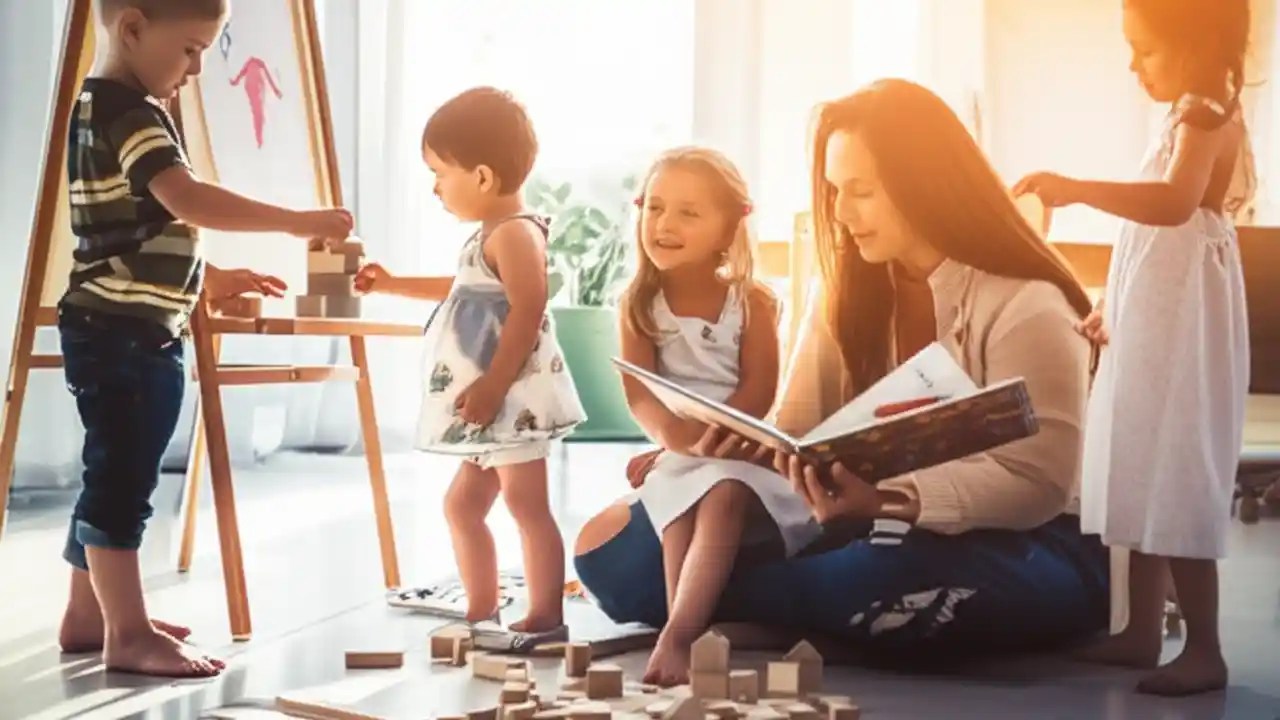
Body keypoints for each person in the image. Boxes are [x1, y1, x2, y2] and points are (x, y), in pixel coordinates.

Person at [574, 79, 1110, 667]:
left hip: (1023, 544)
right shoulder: (846, 293)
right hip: (860, 532)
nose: (839, 211)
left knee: (889, 574)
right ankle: (808, 618)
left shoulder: (1026, 303)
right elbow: (797, 433)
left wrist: (887, 500)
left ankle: (742, 612)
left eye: (860, 191)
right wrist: (707, 457)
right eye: (834, 190)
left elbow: (1040, 483)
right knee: (609, 555)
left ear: (926, 187)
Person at [59, 0, 353, 678]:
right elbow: (188, 201)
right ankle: (126, 633)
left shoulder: (104, 106)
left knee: (113, 468)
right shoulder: (131, 112)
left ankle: (89, 613)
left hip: (119, 325)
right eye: (190, 49)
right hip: (123, 332)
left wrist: (205, 276)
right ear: (132, 28)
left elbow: (129, 228)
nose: (195, 69)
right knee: (121, 480)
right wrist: (294, 220)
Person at [1014, 0, 1254, 696]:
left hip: (1185, 329)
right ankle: (1142, 631)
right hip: (1156, 321)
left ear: (1196, 44)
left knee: (1175, 468)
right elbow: (1154, 248)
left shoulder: (1206, 114)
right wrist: (1113, 308)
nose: (1132, 64)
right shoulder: (1182, 113)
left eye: (1144, 49)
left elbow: (1175, 205)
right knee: (1139, 460)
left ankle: (1204, 648)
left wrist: (1079, 190)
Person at [355, 87, 585, 642]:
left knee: (526, 506)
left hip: (510, 403)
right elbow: (461, 289)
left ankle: (546, 615)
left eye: (439, 173)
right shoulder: (487, 236)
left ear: (481, 177)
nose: (434, 187)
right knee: (462, 507)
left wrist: (492, 384)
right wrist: (390, 284)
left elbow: (529, 307)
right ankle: (481, 612)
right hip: (492, 410)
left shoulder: (516, 232)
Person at [616, 147, 819, 684]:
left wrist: (711, 436)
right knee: (681, 503)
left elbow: (759, 389)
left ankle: (679, 633)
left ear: (728, 226)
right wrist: (674, 439)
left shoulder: (753, 301)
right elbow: (639, 394)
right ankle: (682, 627)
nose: (664, 223)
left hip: (739, 445)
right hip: (682, 447)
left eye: (688, 212)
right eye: (655, 207)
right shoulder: (637, 302)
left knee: (722, 492)